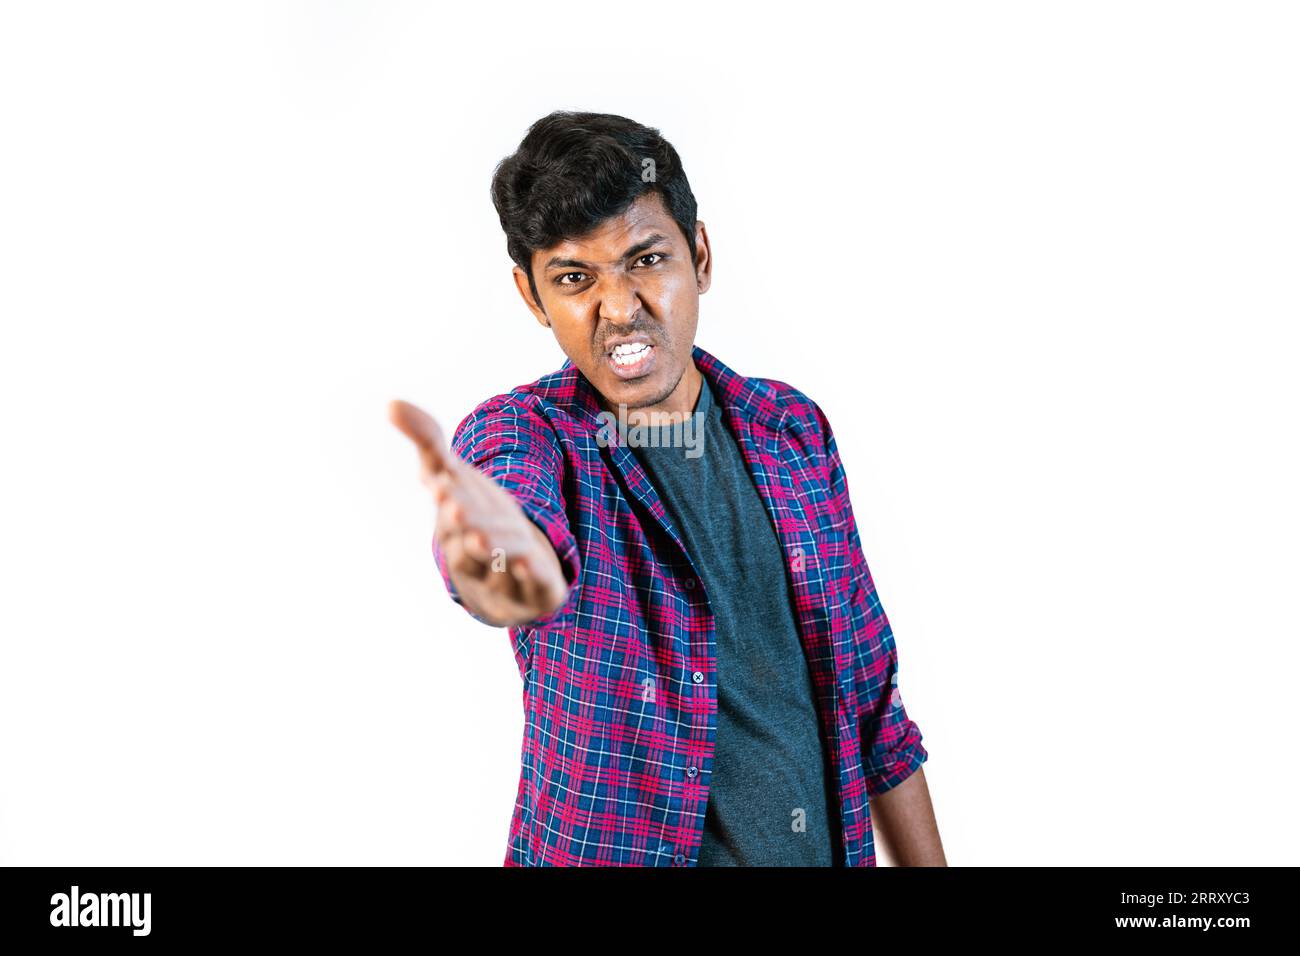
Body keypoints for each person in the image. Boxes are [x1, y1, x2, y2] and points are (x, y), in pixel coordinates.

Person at [389, 110, 945, 867]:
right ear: (532, 297)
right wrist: (498, 564)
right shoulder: (525, 436)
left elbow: (875, 710)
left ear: (701, 255)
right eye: (574, 278)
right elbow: (511, 549)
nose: (618, 309)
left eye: (646, 260)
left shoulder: (792, 431)